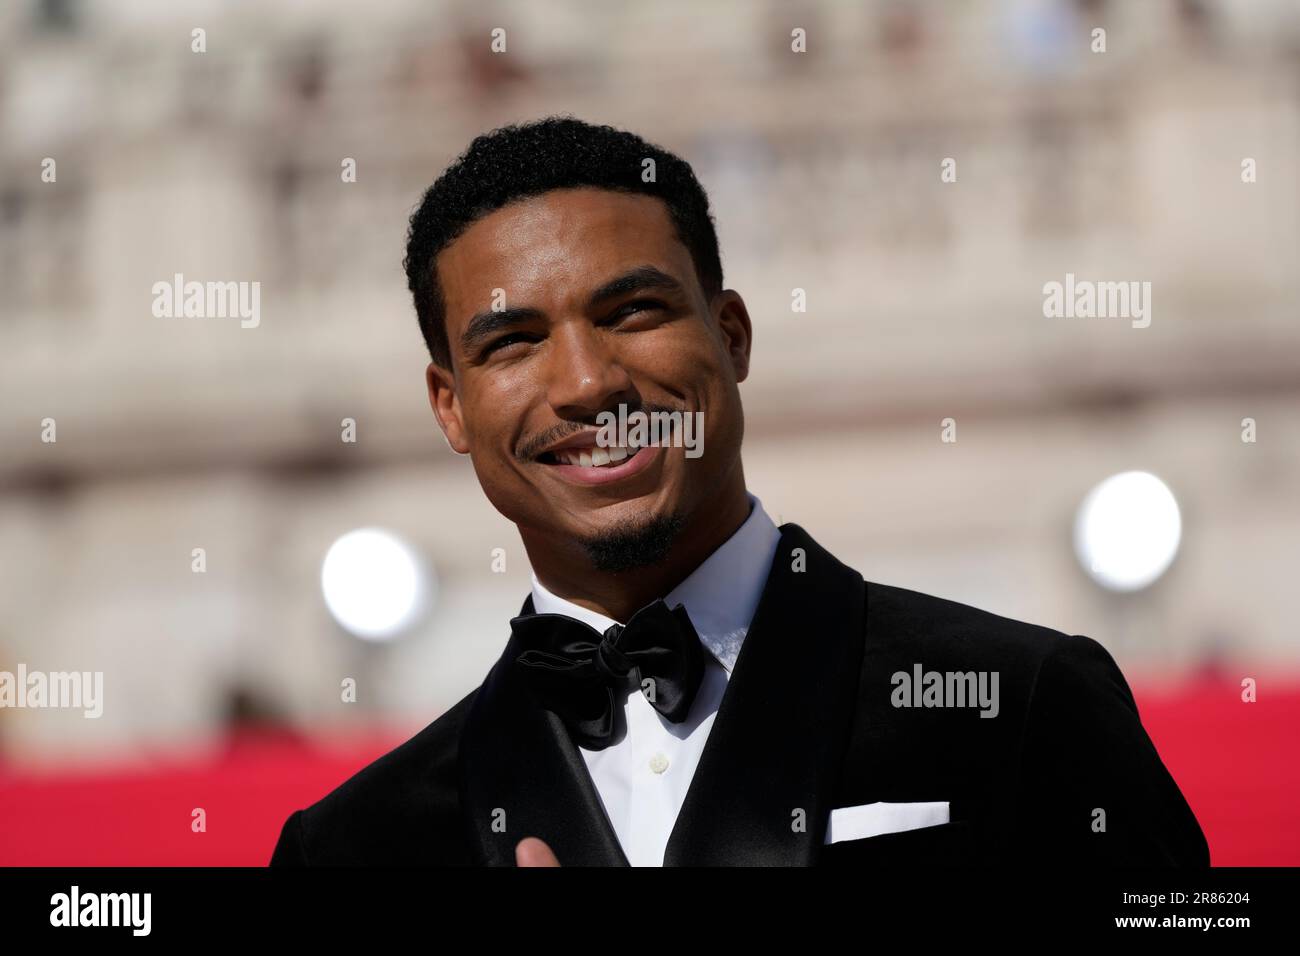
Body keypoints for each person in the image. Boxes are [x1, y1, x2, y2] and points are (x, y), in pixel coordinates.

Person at [269, 116, 1209, 867]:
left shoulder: (1025, 706)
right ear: (452, 408)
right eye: (511, 341)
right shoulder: (353, 846)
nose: (589, 384)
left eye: (632, 311)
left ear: (733, 336)